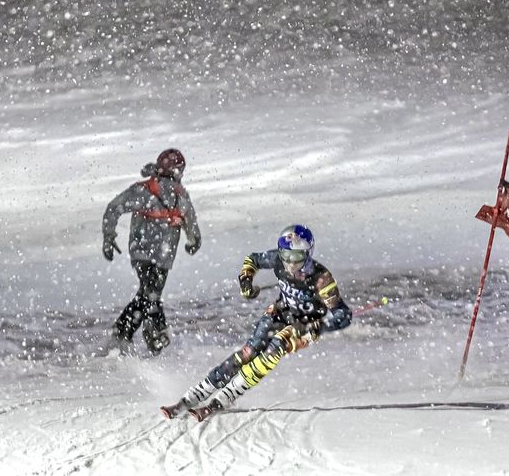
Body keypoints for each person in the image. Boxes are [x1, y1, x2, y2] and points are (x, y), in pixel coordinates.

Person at [161, 224, 352, 421]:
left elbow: (343, 315)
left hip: (304, 326)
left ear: (308, 254)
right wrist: (246, 279)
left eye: (296, 257)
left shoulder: (321, 279)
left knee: (273, 351)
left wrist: (319, 326)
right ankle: (191, 397)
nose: (289, 262)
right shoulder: (278, 259)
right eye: (285, 255)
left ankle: (223, 399)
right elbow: (253, 259)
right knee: (247, 353)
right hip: (280, 313)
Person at [101, 148, 201, 354]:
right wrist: (193, 241)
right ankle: (153, 333)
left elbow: (113, 208)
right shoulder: (179, 195)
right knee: (151, 293)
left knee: (147, 293)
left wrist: (109, 237)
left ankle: (125, 332)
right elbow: (191, 223)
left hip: (141, 253)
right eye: (180, 170)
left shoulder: (143, 190)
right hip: (161, 256)